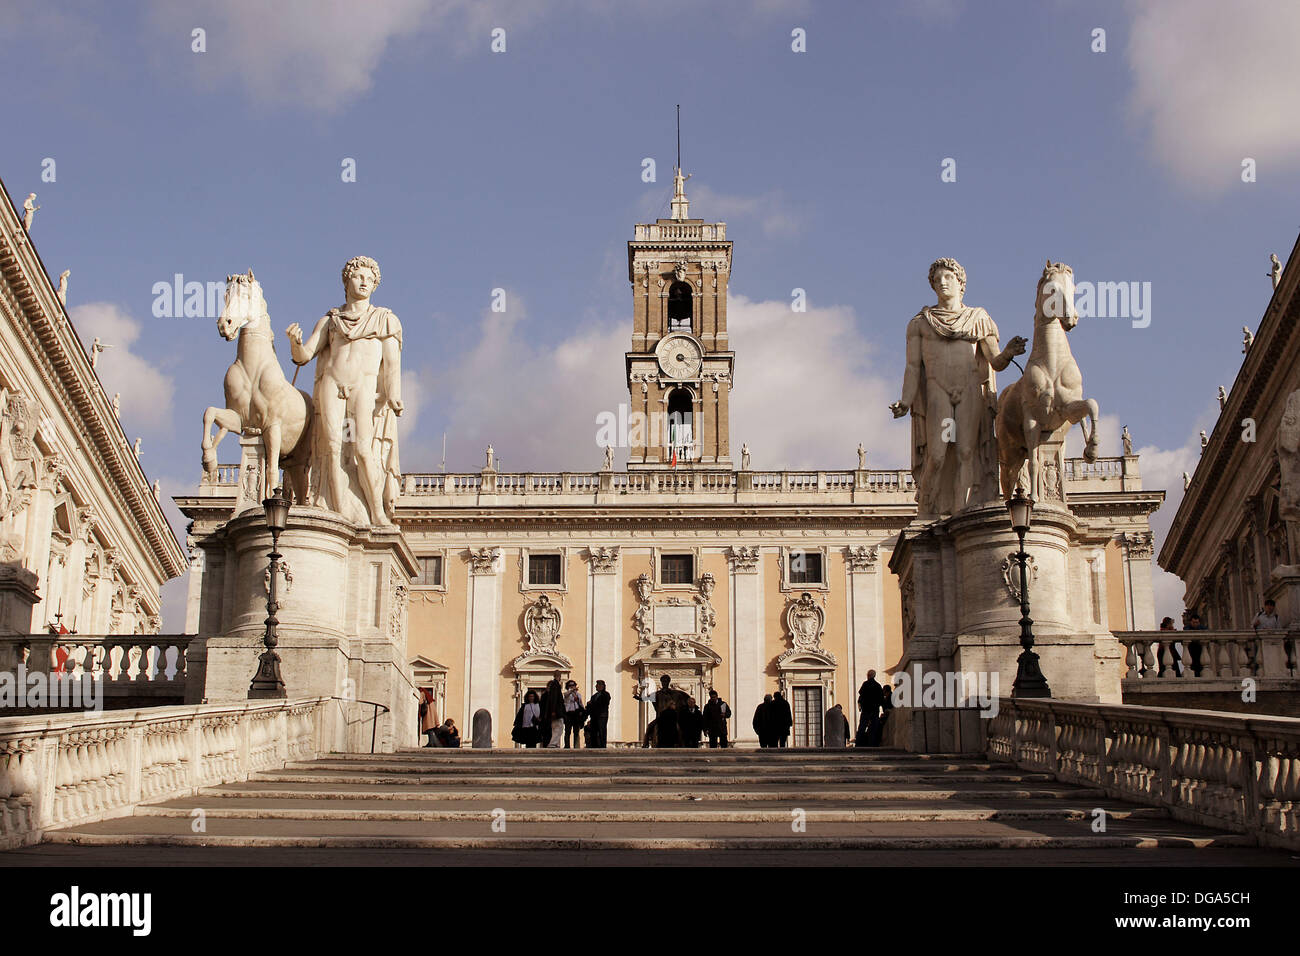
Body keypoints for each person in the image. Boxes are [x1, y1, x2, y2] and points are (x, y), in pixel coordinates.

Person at [857, 670, 884, 747]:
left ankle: (859, 744)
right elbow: (881, 699)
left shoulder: (865, 684)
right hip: (875, 710)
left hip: (866, 710)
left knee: (862, 727)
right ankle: (873, 744)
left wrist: (860, 706)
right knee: (874, 728)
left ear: (868, 675)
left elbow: (861, 696)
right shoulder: (878, 686)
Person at [541, 673, 566, 748]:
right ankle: (553, 743)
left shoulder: (553, 686)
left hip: (554, 711)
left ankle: (555, 743)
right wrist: (554, 711)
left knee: (556, 727)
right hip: (557, 712)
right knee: (559, 727)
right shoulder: (555, 685)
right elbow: (554, 699)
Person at [586, 680, 611, 749]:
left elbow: (603, 704)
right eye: (596, 685)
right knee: (593, 731)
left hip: (602, 716)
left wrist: (592, 703)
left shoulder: (606, 694)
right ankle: (594, 745)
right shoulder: (594, 696)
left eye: (598, 685)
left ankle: (602, 745)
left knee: (601, 731)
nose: (596, 686)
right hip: (594, 716)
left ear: (602, 686)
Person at [563, 680, 586, 749]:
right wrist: (571, 691)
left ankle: (576, 746)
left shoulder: (578, 694)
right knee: (567, 731)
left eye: (573, 685)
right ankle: (567, 746)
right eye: (570, 685)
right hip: (568, 713)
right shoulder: (566, 694)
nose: (572, 687)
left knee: (576, 731)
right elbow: (566, 695)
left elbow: (581, 704)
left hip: (576, 713)